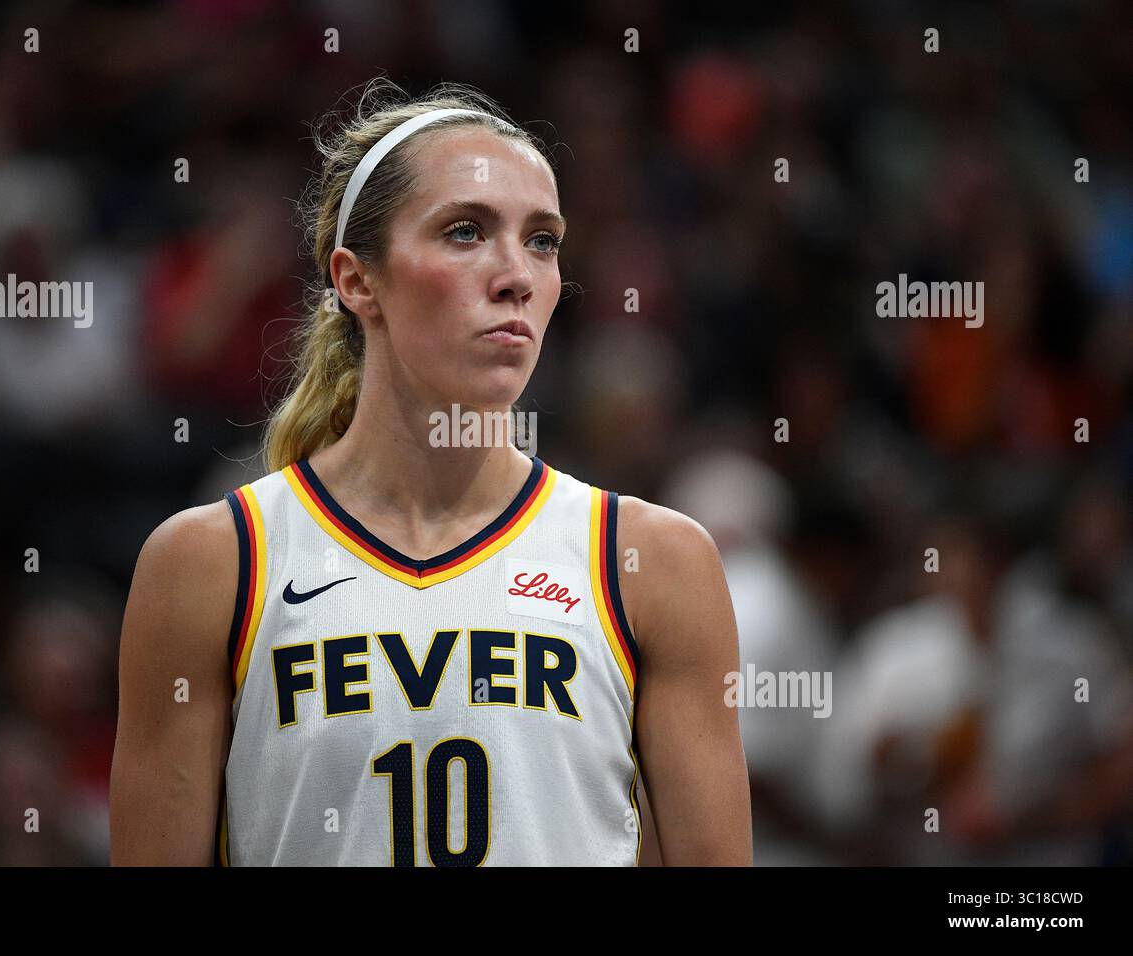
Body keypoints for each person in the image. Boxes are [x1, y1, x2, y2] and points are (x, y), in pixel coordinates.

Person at [109, 80, 752, 866]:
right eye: (465, 232)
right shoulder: (211, 563)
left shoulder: (655, 562)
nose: (516, 273)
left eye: (542, 240)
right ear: (356, 280)